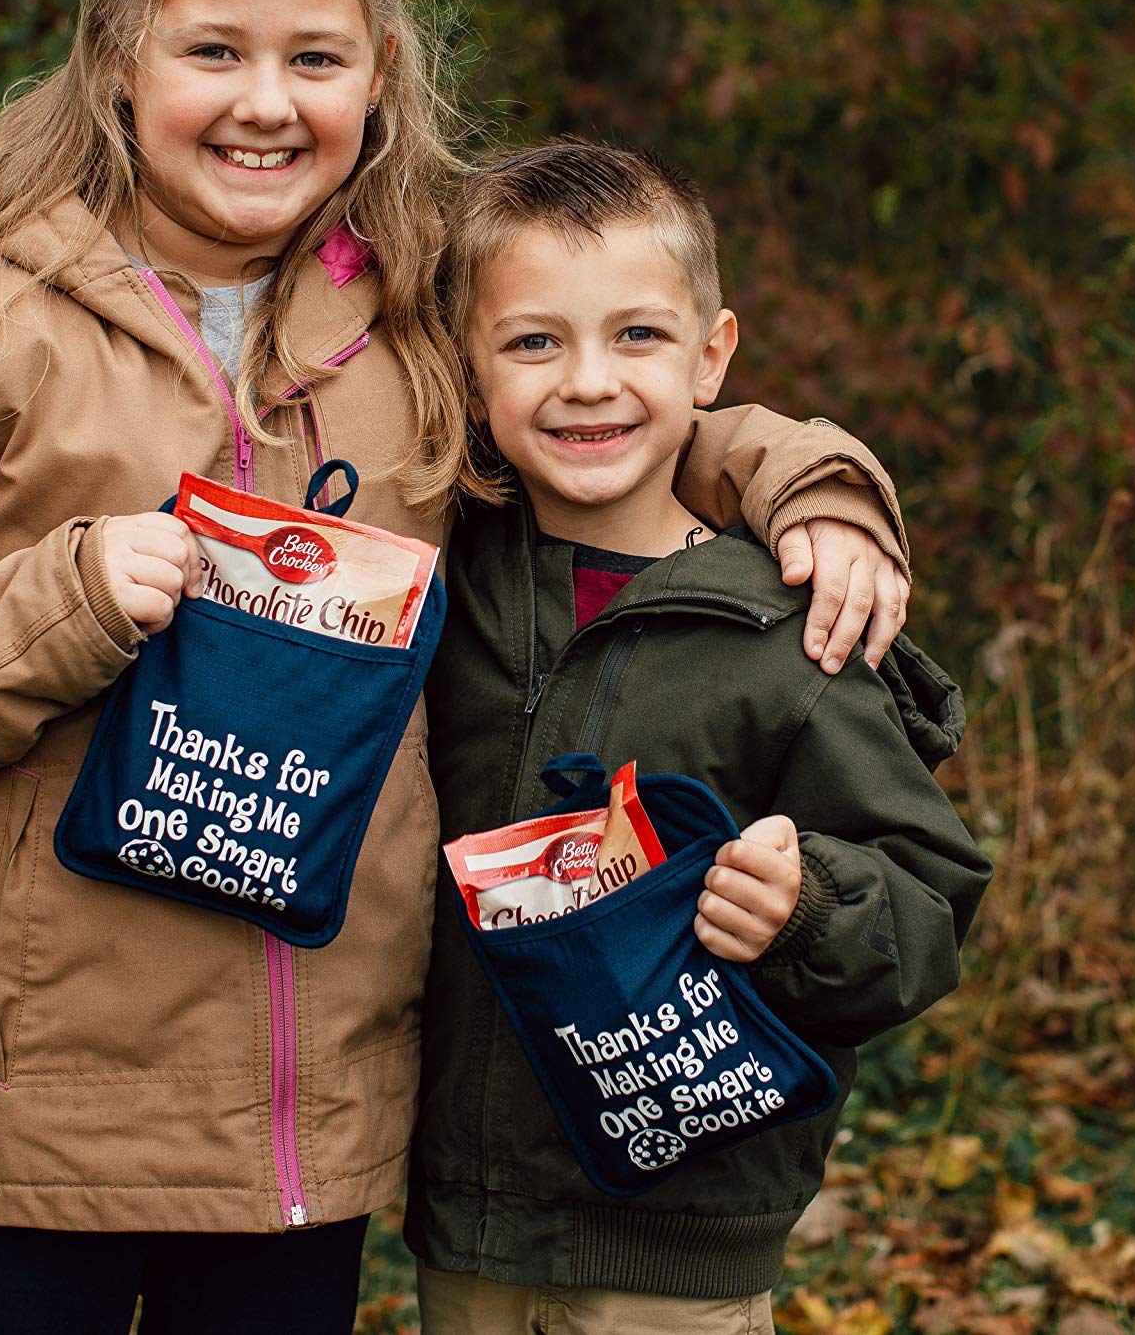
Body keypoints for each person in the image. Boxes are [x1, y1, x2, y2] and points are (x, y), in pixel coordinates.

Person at [0, 0, 912, 1335]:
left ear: (382, 77)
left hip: (309, 1122)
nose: (262, 102)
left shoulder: (416, 311)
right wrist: (68, 595)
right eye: (213, 50)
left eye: (315, 58)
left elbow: (610, 407)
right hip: (31, 1115)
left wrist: (807, 474)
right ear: (117, 61)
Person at [411, 139, 991, 1334]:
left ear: (710, 356)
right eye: (532, 341)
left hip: (679, 1250)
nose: (586, 382)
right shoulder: (444, 580)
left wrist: (813, 908)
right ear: (466, 370)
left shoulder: (790, 631)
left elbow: (928, 899)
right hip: (468, 1224)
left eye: (637, 336)